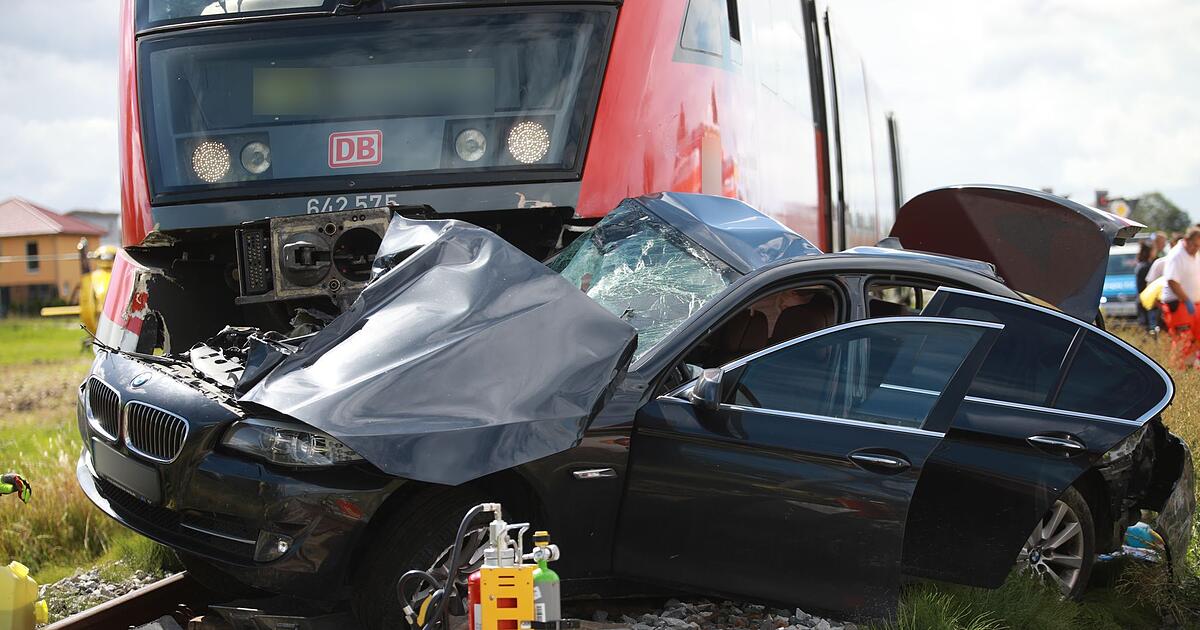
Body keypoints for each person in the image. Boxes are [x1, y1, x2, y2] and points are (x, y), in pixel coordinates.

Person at [1160, 226, 1200, 366]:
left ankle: (1191, 369)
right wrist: (1187, 300)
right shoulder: (1177, 255)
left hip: (1194, 304)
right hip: (1180, 304)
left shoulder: (1194, 255)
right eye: (1195, 245)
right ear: (1187, 240)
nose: (1196, 248)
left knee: (1196, 339)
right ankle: (1178, 370)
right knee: (1183, 340)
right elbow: (1172, 281)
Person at [1135, 240, 1158, 331]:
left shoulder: (1141, 265)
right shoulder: (1147, 266)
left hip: (1141, 300)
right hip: (1148, 301)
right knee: (1149, 329)